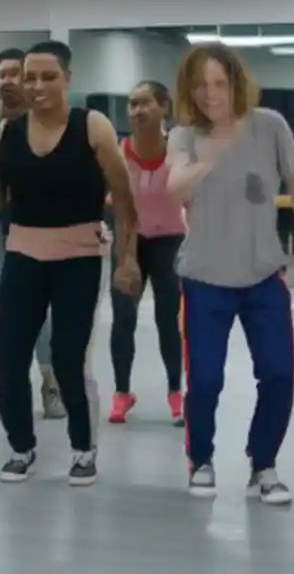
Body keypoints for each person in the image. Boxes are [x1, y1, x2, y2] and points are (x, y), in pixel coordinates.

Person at [0, 40, 141, 487]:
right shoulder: (5, 133)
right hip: (23, 255)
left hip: (78, 257)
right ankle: (20, 446)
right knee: (9, 358)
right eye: (28, 77)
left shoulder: (92, 127)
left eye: (47, 77)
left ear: (67, 80)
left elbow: (126, 201)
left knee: (68, 358)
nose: (35, 86)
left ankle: (82, 447)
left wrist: (128, 259)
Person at [166, 42, 294, 504]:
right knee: (206, 379)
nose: (212, 94)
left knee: (278, 373)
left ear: (236, 82)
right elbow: (174, 184)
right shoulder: (184, 137)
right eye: (201, 86)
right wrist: (208, 160)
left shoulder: (269, 125)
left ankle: (264, 464)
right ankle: (202, 458)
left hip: (263, 276)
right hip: (205, 277)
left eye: (219, 83)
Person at [0, 48, 65, 420]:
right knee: (4, 309)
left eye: (13, 74)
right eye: (0, 74)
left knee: (42, 311)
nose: (6, 80)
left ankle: (52, 382)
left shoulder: (49, 119)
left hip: (39, 229)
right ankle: (11, 388)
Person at [106, 81, 187, 427]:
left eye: (145, 103)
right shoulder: (118, 152)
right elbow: (109, 199)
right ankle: (122, 392)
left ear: (164, 107)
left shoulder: (180, 151)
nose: (137, 111)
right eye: (132, 104)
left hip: (170, 242)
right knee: (124, 318)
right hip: (129, 242)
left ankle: (175, 390)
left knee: (169, 320)